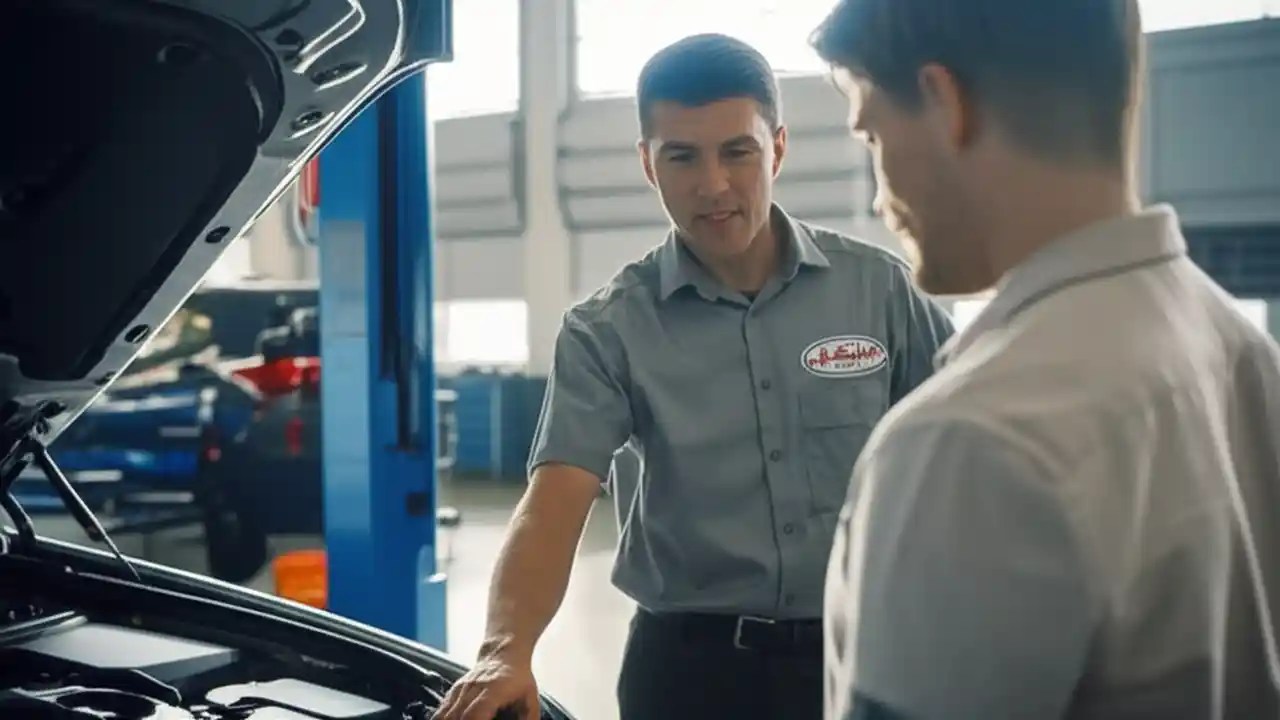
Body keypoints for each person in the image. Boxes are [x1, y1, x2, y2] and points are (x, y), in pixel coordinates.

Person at [432, 33, 954, 720]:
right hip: (690, 678)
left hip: (867, 655)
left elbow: (965, 454)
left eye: (737, 150)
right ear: (649, 164)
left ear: (778, 148)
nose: (713, 185)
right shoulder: (608, 329)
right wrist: (506, 648)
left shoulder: (880, 292)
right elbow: (555, 501)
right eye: (683, 156)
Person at [810, 1, 1280, 718]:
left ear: (944, 103)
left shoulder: (968, 442)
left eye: (872, 134)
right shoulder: (1241, 350)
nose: (879, 198)